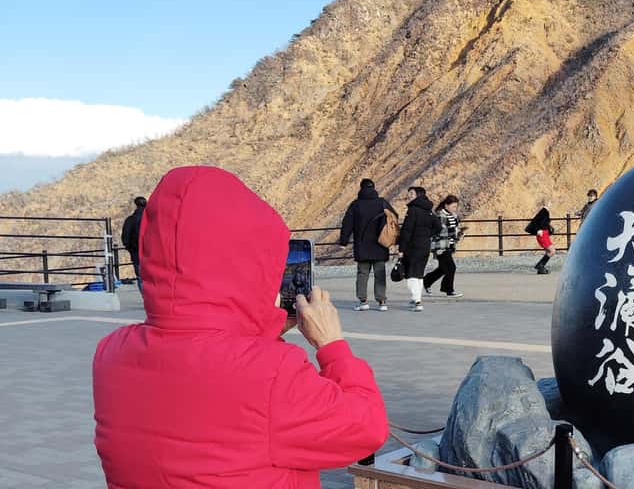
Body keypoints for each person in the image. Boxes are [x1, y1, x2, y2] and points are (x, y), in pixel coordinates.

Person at [93, 166, 388, 488]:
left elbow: (210, 387)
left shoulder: (111, 353)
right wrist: (332, 345)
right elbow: (365, 429)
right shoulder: (273, 372)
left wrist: (258, 330)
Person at [338, 178, 396, 311]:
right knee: (380, 273)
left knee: (362, 273)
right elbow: (393, 217)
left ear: (361, 188)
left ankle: (363, 301)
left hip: (362, 245)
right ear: (374, 188)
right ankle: (382, 301)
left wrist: (343, 241)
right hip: (380, 244)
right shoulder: (382, 203)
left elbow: (347, 223)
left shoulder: (356, 204)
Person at [398, 186, 441, 312]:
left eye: (411, 193)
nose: (409, 195)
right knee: (419, 273)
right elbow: (438, 227)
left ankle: (417, 301)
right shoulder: (429, 210)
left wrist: (401, 248)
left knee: (411, 273)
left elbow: (407, 231)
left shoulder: (413, 210)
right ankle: (416, 299)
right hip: (425, 245)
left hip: (412, 246)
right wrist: (427, 235)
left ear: (419, 195)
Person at [424, 195, 464, 298]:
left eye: (456, 206)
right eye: (453, 206)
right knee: (451, 267)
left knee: (443, 268)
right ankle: (448, 290)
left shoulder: (453, 215)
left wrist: (460, 233)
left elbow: (455, 228)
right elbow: (441, 231)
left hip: (449, 245)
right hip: (440, 246)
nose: (454, 208)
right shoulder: (439, 215)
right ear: (446, 205)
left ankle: (426, 281)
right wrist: (455, 232)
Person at [119, 196, 147, 292]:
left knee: (140, 277)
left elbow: (125, 237)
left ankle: (144, 297)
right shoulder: (152, 219)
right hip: (151, 253)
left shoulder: (130, 220)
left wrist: (130, 248)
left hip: (136, 253)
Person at [526, 204, 555, 274]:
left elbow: (543, 224)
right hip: (542, 235)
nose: (551, 205)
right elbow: (534, 223)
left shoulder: (545, 212)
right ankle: (540, 266)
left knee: (549, 251)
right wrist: (537, 230)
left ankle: (540, 269)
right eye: (549, 204)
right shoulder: (543, 212)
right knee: (552, 251)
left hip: (545, 235)